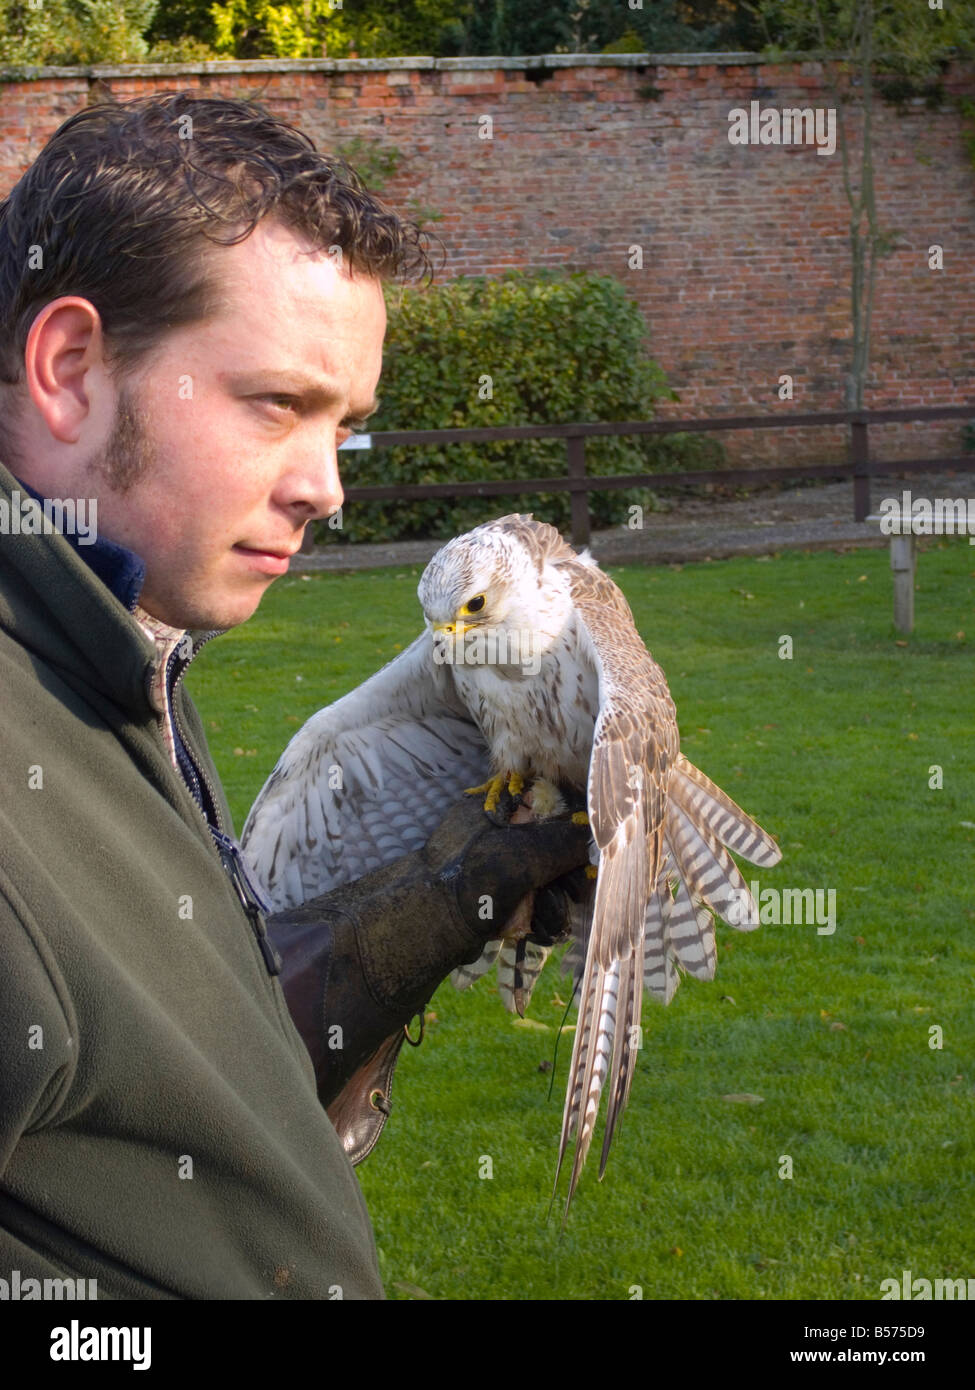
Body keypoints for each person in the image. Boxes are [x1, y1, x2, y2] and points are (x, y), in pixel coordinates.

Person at [0, 92, 591, 1300]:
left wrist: (411, 931)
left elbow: (146, 1107)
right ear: (68, 370)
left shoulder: (108, 641)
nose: (327, 486)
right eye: (277, 403)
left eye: (348, 427)